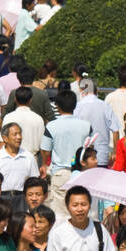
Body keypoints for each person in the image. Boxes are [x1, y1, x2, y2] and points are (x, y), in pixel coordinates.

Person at [40, 90, 91, 220]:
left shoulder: (51, 126)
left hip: (60, 174)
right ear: (75, 105)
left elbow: (45, 149)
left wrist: (44, 164)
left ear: (57, 106)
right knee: (80, 214)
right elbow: (90, 149)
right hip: (81, 174)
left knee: (60, 215)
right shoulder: (86, 126)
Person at [0, 121, 39, 194]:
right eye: (15, 134)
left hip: (22, 197)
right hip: (1, 197)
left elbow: (34, 180)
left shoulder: (28, 156)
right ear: (5, 138)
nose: (19, 137)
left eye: (20, 134)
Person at [1, 86, 45, 158]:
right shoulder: (38, 119)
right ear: (30, 100)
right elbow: (43, 145)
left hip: (11, 158)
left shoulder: (8, 117)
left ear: (15, 99)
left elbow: (2, 142)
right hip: (32, 157)